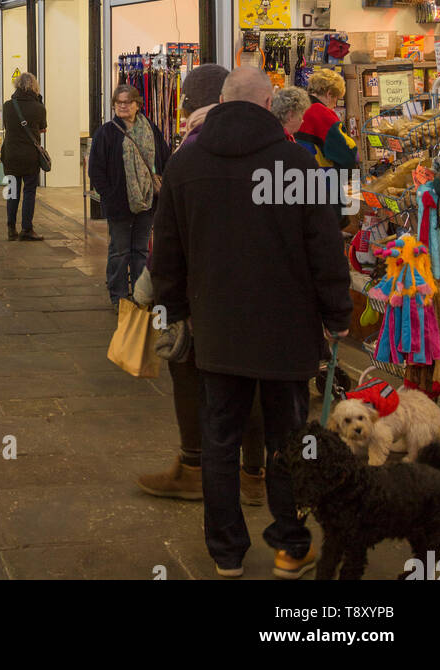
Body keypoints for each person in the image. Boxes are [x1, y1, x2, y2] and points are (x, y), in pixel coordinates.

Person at [151, 66, 352, 580]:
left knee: (220, 439)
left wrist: (172, 312)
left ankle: (226, 554)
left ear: (220, 101)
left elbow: (167, 251)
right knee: (289, 439)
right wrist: (337, 315)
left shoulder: (185, 163)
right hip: (287, 331)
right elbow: (324, 249)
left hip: (216, 328)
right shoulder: (297, 165)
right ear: (269, 105)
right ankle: (290, 547)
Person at [136, 65, 266, 508]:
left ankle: (193, 468)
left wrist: (158, 290)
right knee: (251, 379)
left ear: (190, 105)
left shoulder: (191, 150)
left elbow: (167, 233)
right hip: (257, 291)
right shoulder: (276, 147)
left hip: (200, 290)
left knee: (187, 371)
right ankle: (255, 475)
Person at [89, 84, 169, 306]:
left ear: (137, 105)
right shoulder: (106, 132)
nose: (123, 106)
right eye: (118, 102)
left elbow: (164, 159)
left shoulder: (151, 129)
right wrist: (109, 195)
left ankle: (140, 295)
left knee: (141, 251)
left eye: (127, 102)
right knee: (119, 251)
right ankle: (119, 297)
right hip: (119, 204)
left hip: (147, 202)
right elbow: (95, 169)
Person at [295, 68, 358, 227]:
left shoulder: (295, 107)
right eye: (336, 99)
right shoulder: (322, 114)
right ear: (329, 94)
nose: (335, 104)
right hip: (323, 191)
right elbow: (347, 154)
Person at [1, 72, 48, 241]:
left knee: (12, 191)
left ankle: (10, 227)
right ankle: (27, 228)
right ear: (34, 87)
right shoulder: (39, 108)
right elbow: (43, 129)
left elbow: (7, 126)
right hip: (30, 156)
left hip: (11, 154)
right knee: (29, 192)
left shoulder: (7, 106)